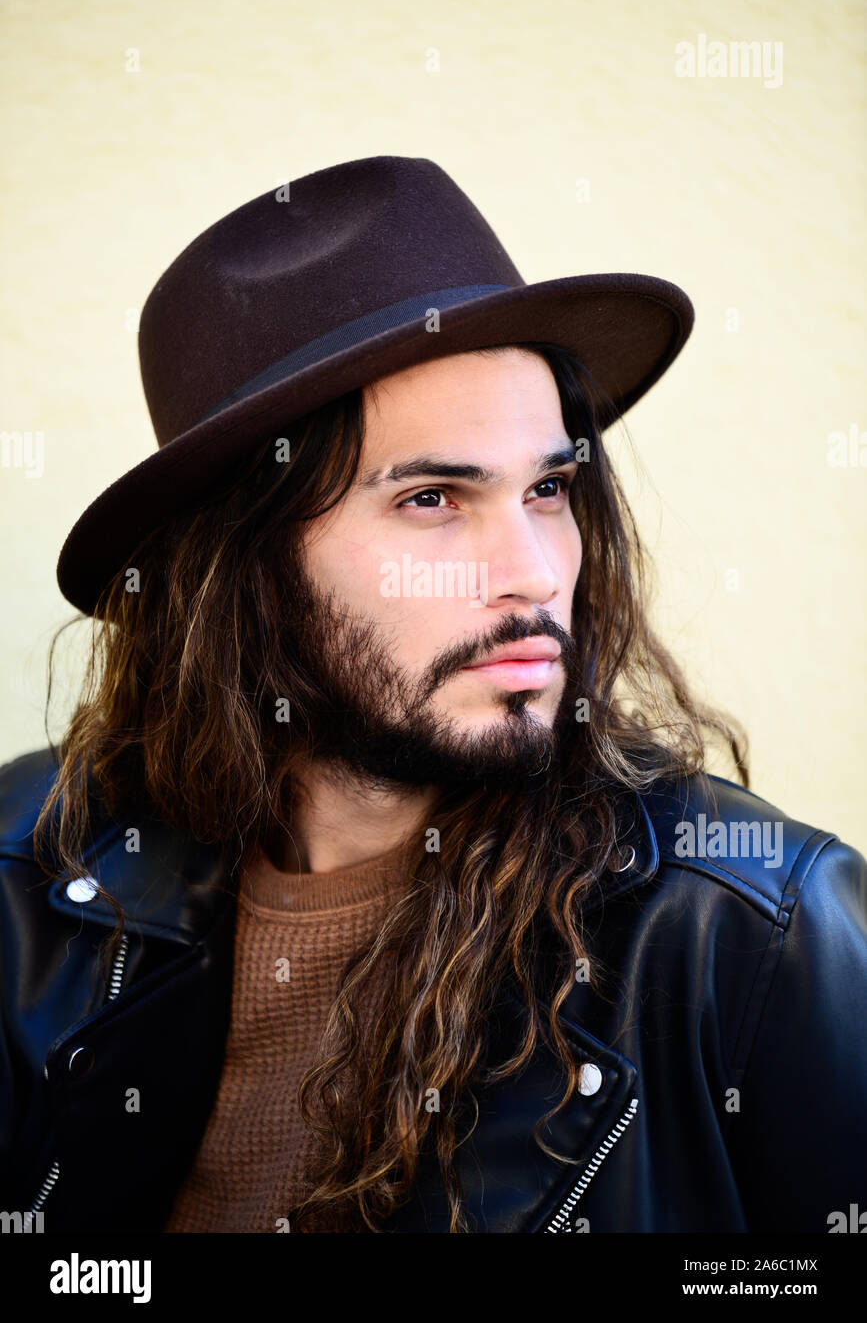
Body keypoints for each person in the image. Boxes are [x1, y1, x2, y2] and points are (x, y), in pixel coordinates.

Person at [1, 156, 864, 1234]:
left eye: (550, 489)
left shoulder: (750, 937)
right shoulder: (32, 874)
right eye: (433, 497)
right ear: (239, 570)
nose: (537, 572)